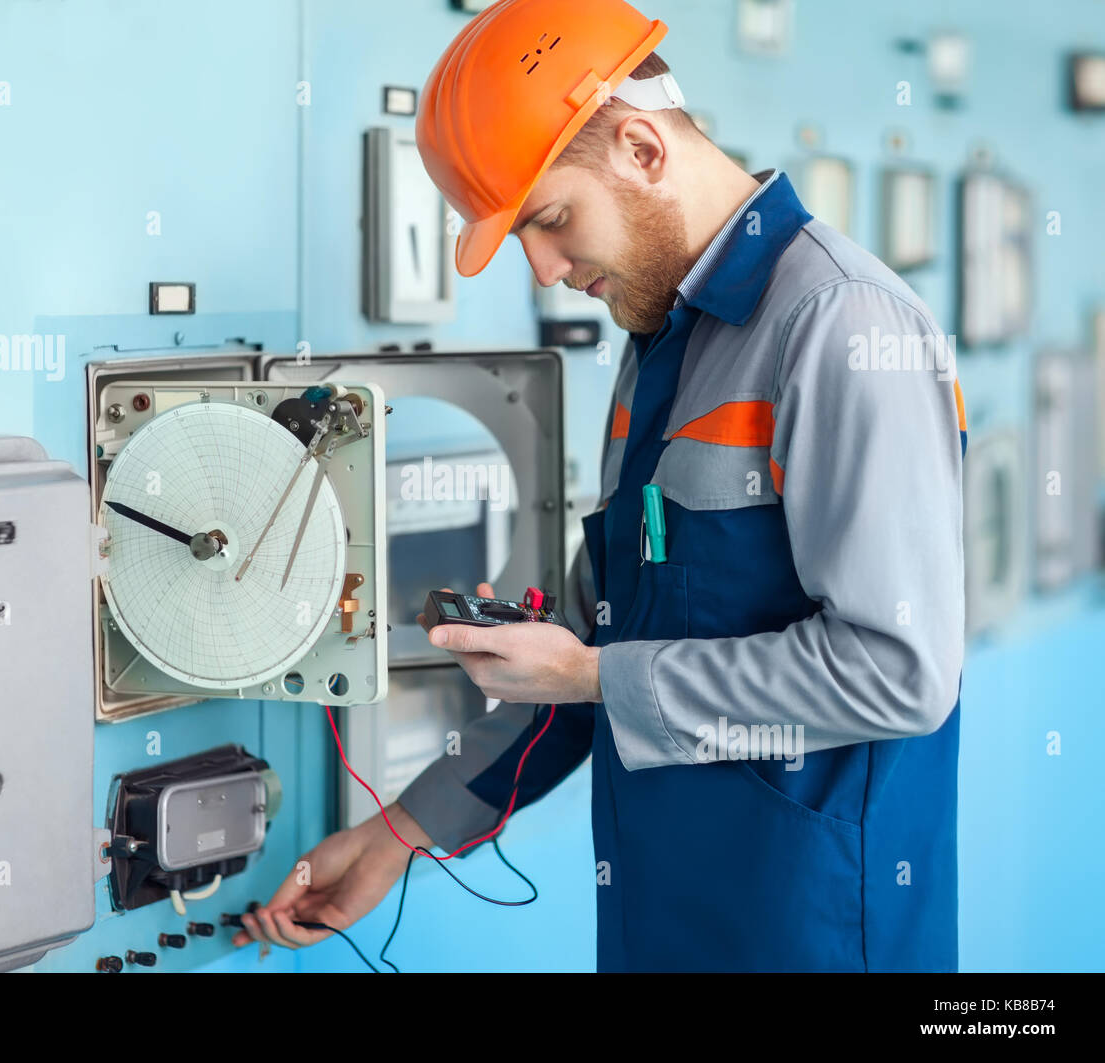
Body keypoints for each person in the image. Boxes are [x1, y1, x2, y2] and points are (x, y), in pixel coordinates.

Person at [234, 0, 966, 972]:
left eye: (549, 219)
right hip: (657, 931)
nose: (542, 267)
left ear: (641, 150)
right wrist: (393, 837)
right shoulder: (661, 341)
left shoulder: (840, 324)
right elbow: (593, 645)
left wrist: (585, 675)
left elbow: (897, 671)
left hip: (813, 935)